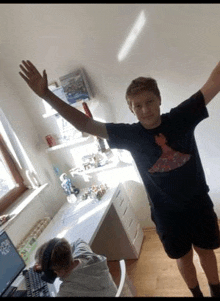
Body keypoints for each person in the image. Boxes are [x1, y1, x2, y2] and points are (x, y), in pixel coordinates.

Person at [19, 60, 220, 297]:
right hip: (167, 215)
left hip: (198, 205)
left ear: (159, 100)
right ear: (131, 109)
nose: (145, 109)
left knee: (206, 251)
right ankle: (196, 294)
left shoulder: (181, 118)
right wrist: (46, 95)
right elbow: (84, 123)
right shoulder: (131, 135)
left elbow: (213, 83)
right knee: (183, 257)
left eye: (150, 102)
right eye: (138, 105)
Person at [34, 237, 117, 297]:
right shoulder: (84, 254)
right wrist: (59, 254)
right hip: (114, 292)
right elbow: (79, 241)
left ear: (55, 273)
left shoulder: (67, 290)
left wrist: (50, 265)